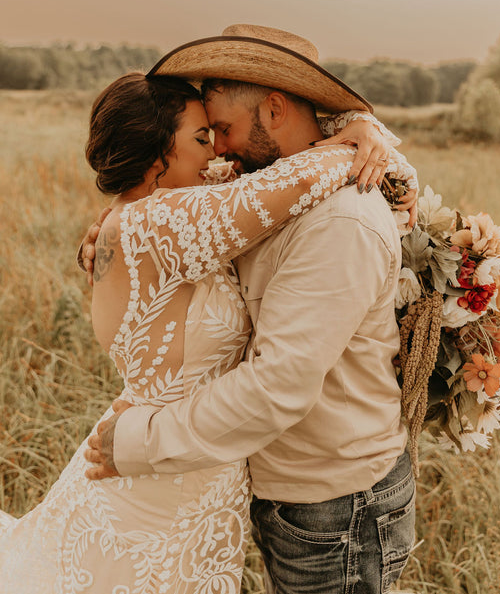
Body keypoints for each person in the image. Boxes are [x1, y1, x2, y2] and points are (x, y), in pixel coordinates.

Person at [0, 55, 413, 593]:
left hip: (214, 474)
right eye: (204, 135)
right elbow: (278, 187)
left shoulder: (173, 215)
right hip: (162, 476)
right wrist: (357, 143)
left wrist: (365, 137)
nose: (218, 152)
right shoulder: (159, 221)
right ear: (156, 156)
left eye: (220, 130)